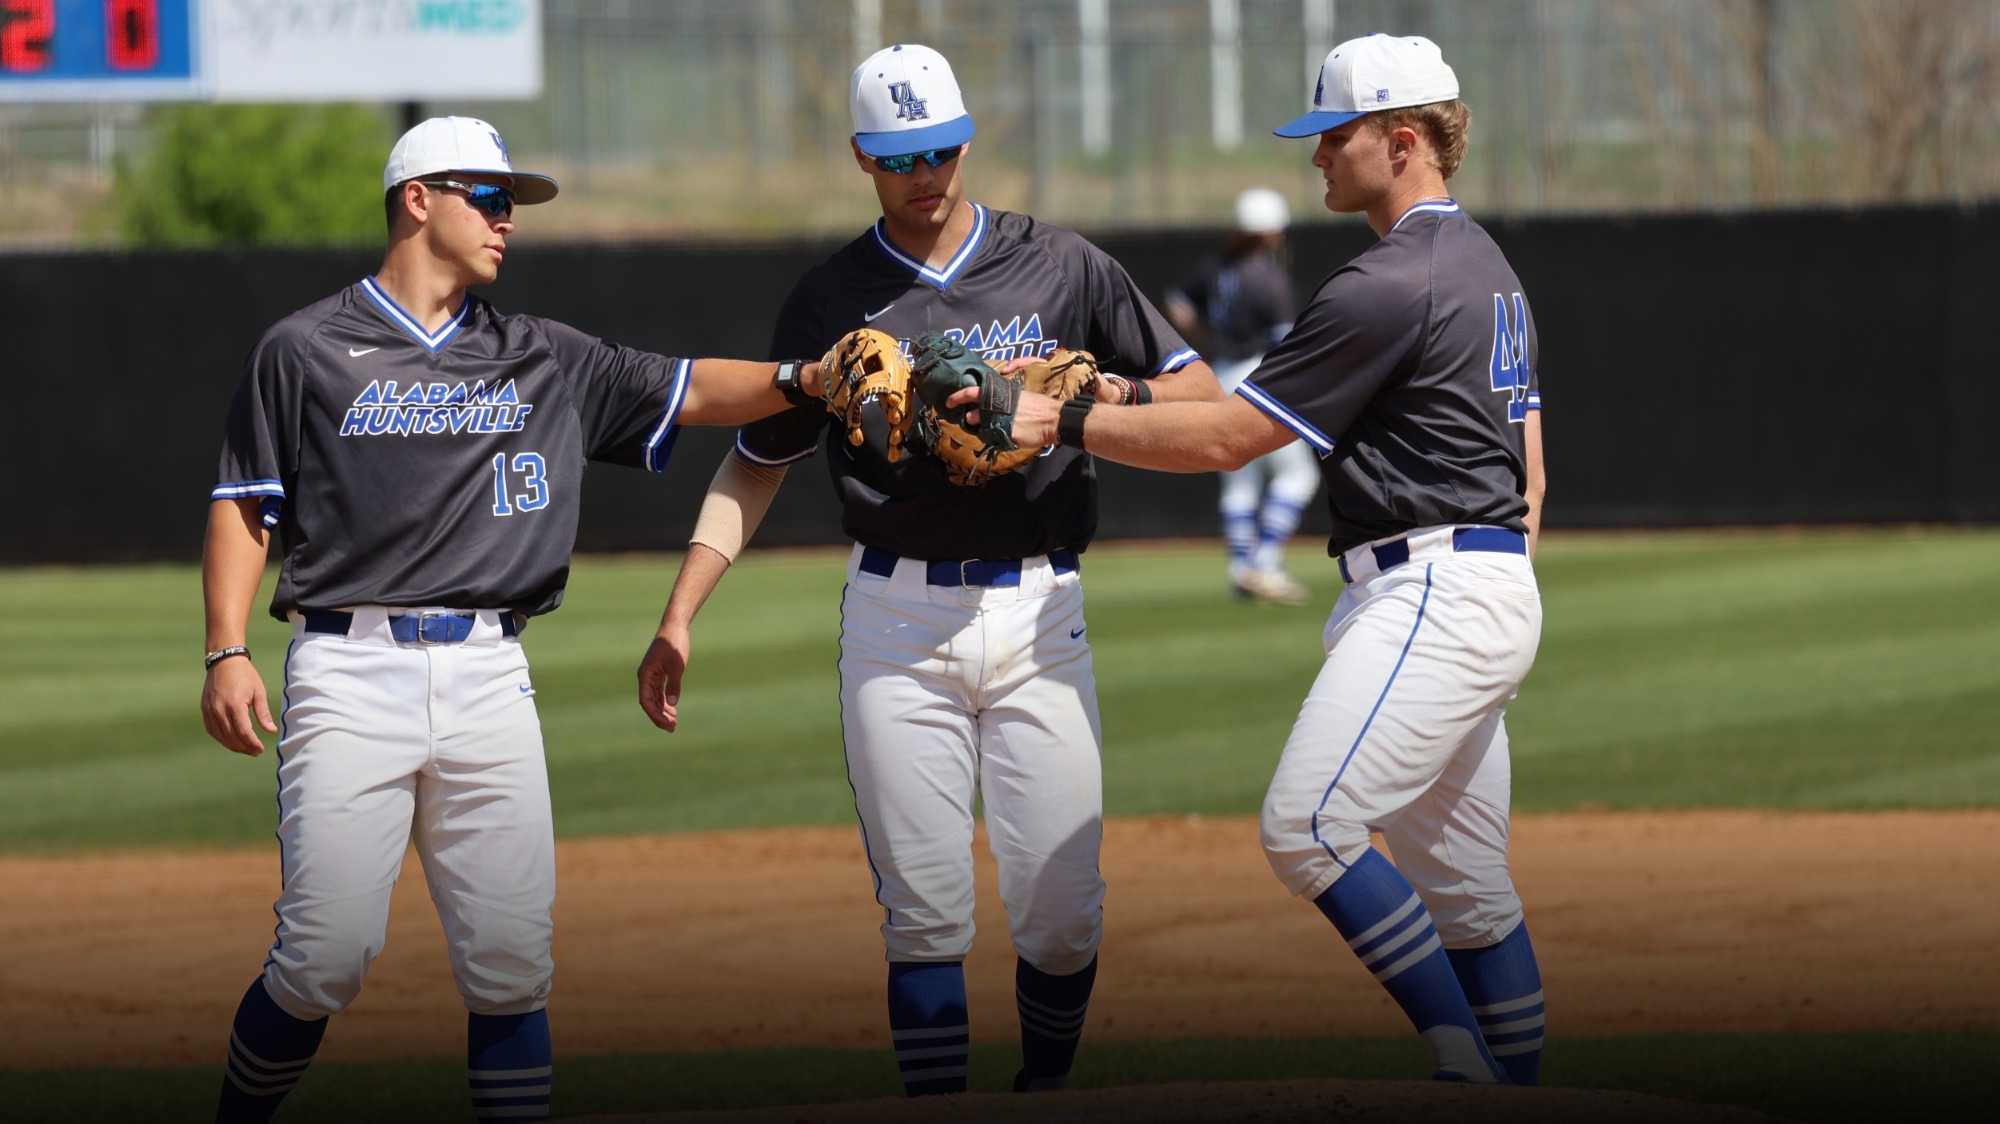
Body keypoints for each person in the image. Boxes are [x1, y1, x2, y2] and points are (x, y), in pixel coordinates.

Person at [199, 116, 827, 1123]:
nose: (507, 223)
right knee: (322, 958)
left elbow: (691, 385)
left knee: (509, 964)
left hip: (493, 675)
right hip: (350, 670)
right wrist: (226, 647)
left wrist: (808, 378)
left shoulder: (541, 355)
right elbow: (246, 504)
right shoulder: (305, 348)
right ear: (417, 199)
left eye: (510, 206)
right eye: (488, 200)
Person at [634, 44, 1219, 1096]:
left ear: (967, 140)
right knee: (925, 910)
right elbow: (754, 459)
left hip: (1042, 609)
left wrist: (1092, 404)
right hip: (895, 621)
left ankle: (1044, 1091)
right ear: (863, 154)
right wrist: (679, 610)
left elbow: (1200, 391)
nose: (927, 172)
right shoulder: (830, 299)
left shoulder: (1061, 264)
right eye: (903, 155)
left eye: (943, 149)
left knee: (1061, 911)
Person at [997, 34, 1548, 1085]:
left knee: (1307, 825)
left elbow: (1223, 440)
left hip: (1430, 588)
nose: (1315, 156)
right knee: (1467, 890)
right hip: (1485, 577)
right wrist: (1112, 392)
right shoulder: (1484, 265)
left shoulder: (1387, 280)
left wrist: (1055, 420)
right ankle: (1515, 1086)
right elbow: (1531, 463)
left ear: (1401, 140)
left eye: (1332, 136)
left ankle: (1461, 1066)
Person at [1162, 187, 1319, 605]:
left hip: (1220, 376)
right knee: (1298, 475)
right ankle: (1264, 563)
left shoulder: (1216, 268)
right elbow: (1283, 344)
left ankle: (1239, 571)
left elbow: (1177, 304)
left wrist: (1204, 341)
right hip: (1258, 375)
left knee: (1238, 479)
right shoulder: (1269, 277)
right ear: (1271, 232)